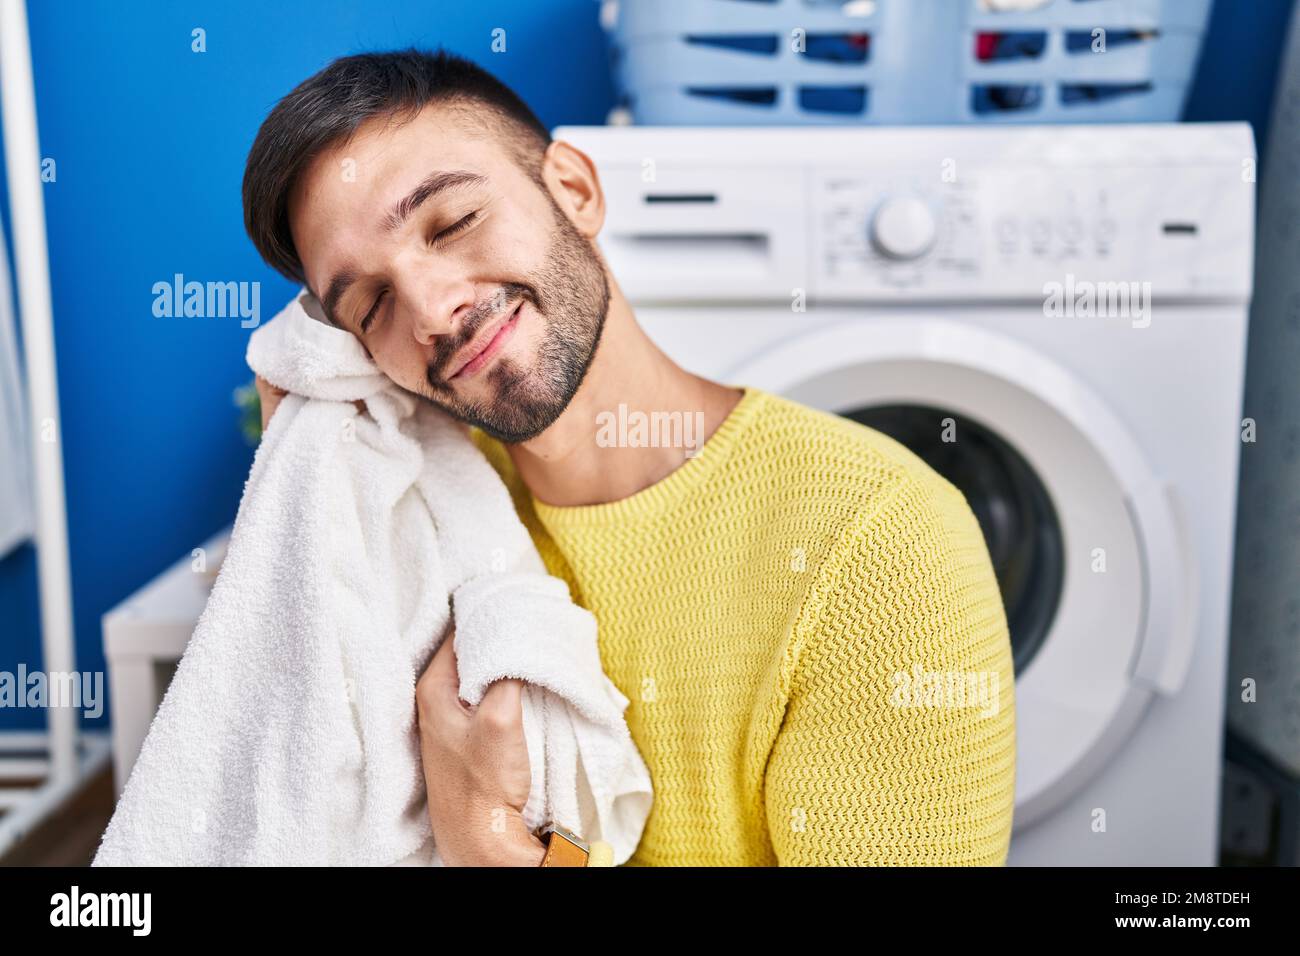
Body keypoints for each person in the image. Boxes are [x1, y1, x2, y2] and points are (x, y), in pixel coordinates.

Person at [243, 48, 1015, 866]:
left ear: (573, 190)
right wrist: (310, 484)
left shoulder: (880, 544)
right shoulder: (414, 532)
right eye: (373, 305)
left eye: (454, 222)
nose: (434, 311)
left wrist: (488, 839)